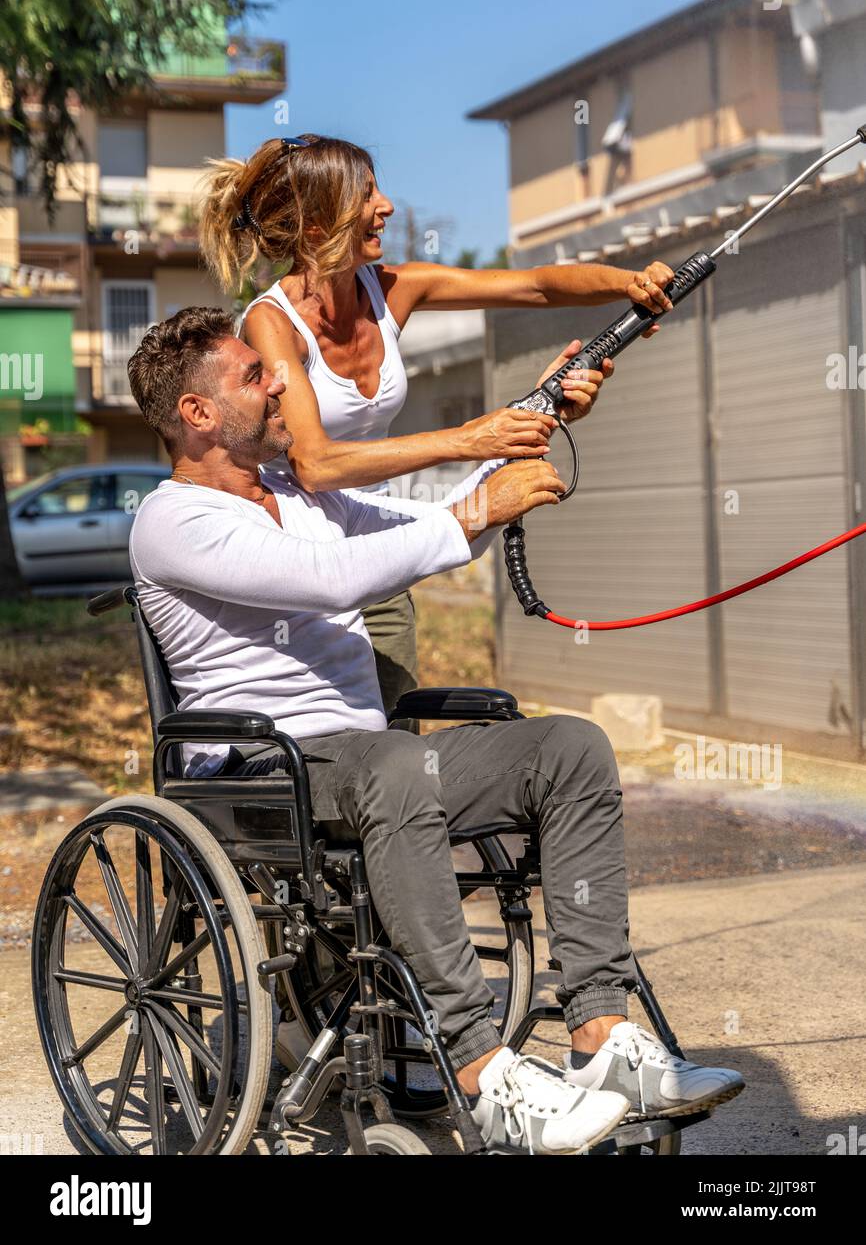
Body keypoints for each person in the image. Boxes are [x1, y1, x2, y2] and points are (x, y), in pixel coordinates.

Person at [126, 308, 744, 1156]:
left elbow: (437, 520)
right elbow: (327, 580)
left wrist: (539, 416)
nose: (278, 381)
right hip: (262, 773)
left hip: (373, 761)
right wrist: (471, 511)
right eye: (251, 375)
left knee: (569, 750)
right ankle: (480, 1067)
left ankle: (602, 1036)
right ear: (196, 414)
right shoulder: (172, 521)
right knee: (394, 763)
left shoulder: (306, 497)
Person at [198, 133, 676, 721]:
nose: (388, 206)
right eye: (366, 194)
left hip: (384, 552)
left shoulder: (392, 290)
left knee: (398, 734)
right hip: (307, 568)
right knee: (340, 745)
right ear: (318, 229)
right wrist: (471, 439)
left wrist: (629, 284)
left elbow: (532, 284)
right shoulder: (273, 324)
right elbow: (315, 465)